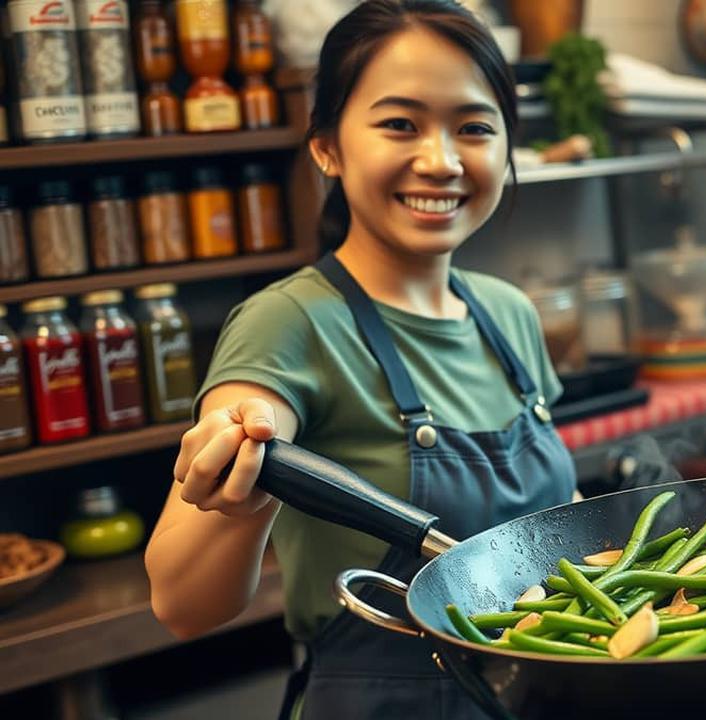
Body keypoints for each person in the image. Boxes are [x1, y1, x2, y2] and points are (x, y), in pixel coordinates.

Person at [143, 2, 575, 717]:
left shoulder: (508, 312)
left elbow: (550, 526)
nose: (440, 160)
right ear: (327, 148)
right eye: (400, 124)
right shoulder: (288, 321)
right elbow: (182, 605)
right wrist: (243, 484)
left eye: (473, 127)